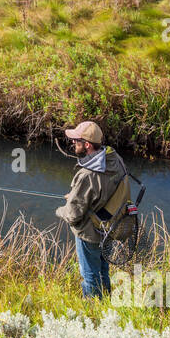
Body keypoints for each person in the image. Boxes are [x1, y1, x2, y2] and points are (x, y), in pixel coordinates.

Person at [55, 121, 129, 298]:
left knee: (89, 275)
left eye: (76, 141)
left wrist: (60, 210)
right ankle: (106, 302)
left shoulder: (87, 175)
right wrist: (76, 195)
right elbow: (103, 192)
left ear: (87, 145)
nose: (73, 143)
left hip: (91, 233)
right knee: (103, 268)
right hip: (110, 226)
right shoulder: (114, 159)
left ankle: (93, 312)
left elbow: (73, 215)